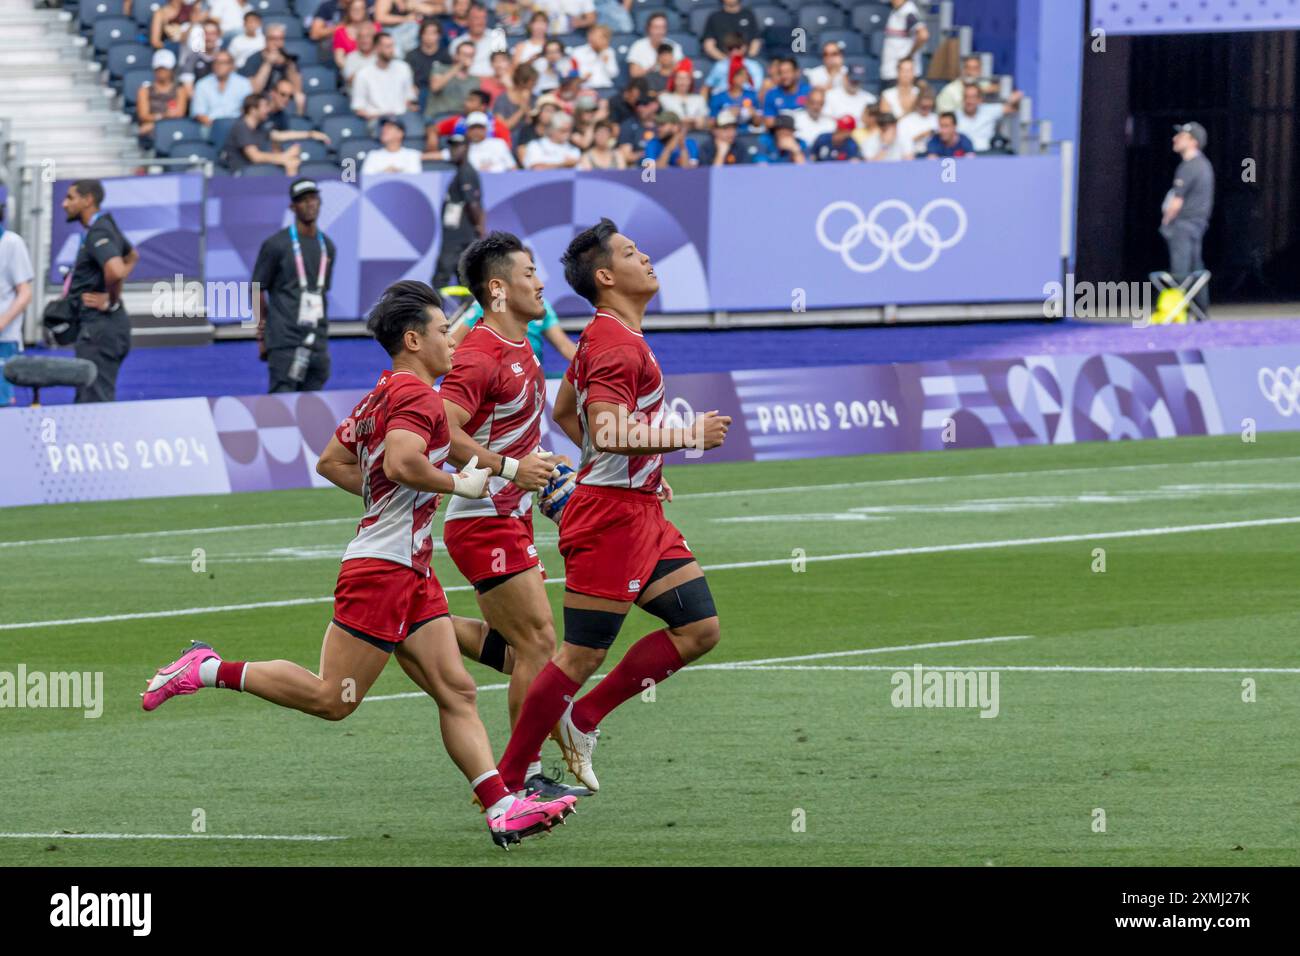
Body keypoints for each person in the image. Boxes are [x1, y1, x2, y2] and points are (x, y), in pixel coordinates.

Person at [139, 279, 578, 849]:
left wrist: (388, 505)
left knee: (457, 691)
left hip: (409, 567)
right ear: (415, 339)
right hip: (383, 570)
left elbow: (331, 461)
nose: (453, 341)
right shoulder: (416, 396)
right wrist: (458, 483)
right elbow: (401, 462)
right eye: (444, 332)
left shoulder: (382, 393)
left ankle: (500, 808)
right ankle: (204, 667)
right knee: (333, 699)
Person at [494, 218, 730, 794]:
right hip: (612, 520)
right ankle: (504, 786)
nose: (646, 258)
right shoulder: (617, 345)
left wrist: (633, 468)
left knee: (699, 629)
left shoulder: (605, 336)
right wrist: (685, 435)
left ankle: (582, 720)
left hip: (637, 507)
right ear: (606, 276)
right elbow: (605, 425)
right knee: (578, 655)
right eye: (631, 252)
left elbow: (566, 412)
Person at [437, 233, 587, 800]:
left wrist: (540, 467)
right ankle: (517, 779)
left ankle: (410, 627)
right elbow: (442, 431)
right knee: (541, 643)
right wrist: (507, 467)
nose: (541, 282)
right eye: (528, 273)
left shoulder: (520, 343)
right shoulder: (480, 351)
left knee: (514, 646)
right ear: (498, 288)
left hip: (509, 511)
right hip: (482, 515)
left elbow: (505, 431)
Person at [251, 179, 336, 392]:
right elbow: (256, 289)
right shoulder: (276, 245)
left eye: (313, 199)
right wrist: (262, 336)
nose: (310, 204)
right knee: (283, 405)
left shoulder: (328, 247)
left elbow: (322, 291)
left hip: (317, 341)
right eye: (303, 200)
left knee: (314, 406)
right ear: (292, 207)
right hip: (284, 340)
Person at [60, 180, 138, 404]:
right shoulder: (105, 226)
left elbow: (115, 271)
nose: (64, 204)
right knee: (92, 396)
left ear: (88, 200)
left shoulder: (98, 231)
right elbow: (133, 256)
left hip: (100, 330)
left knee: (92, 402)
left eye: (70, 198)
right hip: (104, 329)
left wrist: (111, 300)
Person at [1162, 122, 1215, 318]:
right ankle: (1201, 312)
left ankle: (1176, 312)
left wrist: (1167, 221)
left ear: (1193, 142)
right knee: (1195, 268)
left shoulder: (1190, 167)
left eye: (1181, 136)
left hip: (1184, 225)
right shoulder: (1203, 165)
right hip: (1197, 224)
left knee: (1180, 271)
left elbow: (1177, 201)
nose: (1175, 139)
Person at [433, 134, 485, 287]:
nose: (453, 150)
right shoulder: (461, 171)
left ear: (467, 148)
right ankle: (463, 310)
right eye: (451, 147)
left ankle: (438, 311)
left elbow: (473, 204)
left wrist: (478, 227)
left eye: (457, 146)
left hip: (459, 237)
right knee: (463, 278)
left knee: (441, 278)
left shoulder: (466, 172)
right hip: (457, 236)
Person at [0, 207, 34, 408]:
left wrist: (2, 322)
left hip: (4, 339)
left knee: (1, 404)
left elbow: (25, 293)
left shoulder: (12, 243)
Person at [222, 93, 305, 173]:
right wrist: (284, 157)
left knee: (291, 163)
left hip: (259, 171)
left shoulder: (260, 127)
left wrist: (311, 134)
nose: (268, 110)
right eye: (265, 106)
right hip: (241, 175)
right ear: (253, 110)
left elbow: (280, 135)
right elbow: (255, 157)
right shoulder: (241, 126)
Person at [351, 31, 419, 120]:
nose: (392, 50)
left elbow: (409, 98)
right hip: (376, 120)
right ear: (377, 48)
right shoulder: (363, 74)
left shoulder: (404, 68)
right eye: (388, 47)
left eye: (392, 46)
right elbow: (359, 108)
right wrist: (378, 117)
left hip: (401, 118)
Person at [136, 49, 189, 149]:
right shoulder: (145, 90)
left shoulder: (180, 89)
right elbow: (143, 115)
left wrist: (154, 124)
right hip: (152, 132)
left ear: (172, 69)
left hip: (171, 128)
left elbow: (179, 114)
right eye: (159, 68)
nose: (161, 72)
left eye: (165, 68)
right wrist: (164, 116)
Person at [190, 50, 253, 128]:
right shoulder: (202, 84)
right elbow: (198, 113)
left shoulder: (244, 83)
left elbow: (249, 110)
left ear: (231, 65)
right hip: (210, 126)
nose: (219, 66)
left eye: (223, 63)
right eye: (216, 62)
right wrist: (218, 127)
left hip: (237, 127)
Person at [956, 81, 1020, 152]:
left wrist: (997, 89)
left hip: (985, 156)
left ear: (979, 99)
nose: (969, 101)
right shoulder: (954, 116)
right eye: (966, 97)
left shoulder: (989, 110)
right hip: (962, 157)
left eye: (973, 97)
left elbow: (1014, 107)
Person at [407, 17, 451, 113]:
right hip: (417, 94)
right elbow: (405, 78)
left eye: (433, 33)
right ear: (421, 35)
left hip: (438, 94)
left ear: (439, 35)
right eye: (426, 33)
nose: (429, 36)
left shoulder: (446, 57)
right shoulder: (411, 56)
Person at [881, 0, 928, 86]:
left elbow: (923, 35)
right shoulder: (897, 9)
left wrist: (909, 55)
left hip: (901, 75)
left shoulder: (908, 11)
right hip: (892, 72)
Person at [626, 13, 680, 78]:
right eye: (656, 27)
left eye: (663, 27)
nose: (660, 31)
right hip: (646, 85)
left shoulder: (674, 46)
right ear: (649, 28)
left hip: (669, 85)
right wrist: (656, 66)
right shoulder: (638, 46)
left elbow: (680, 71)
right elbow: (634, 74)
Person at [762, 56, 810, 129]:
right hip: (782, 133)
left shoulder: (808, 92)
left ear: (797, 73)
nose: (784, 76)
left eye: (787, 72)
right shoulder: (771, 95)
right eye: (781, 73)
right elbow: (769, 122)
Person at [570, 23, 619, 90]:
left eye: (603, 37)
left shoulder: (609, 51)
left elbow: (613, 74)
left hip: (606, 88)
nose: (596, 39)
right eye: (595, 36)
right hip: (585, 89)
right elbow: (574, 73)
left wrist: (606, 62)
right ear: (589, 36)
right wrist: (582, 77)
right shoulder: (578, 52)